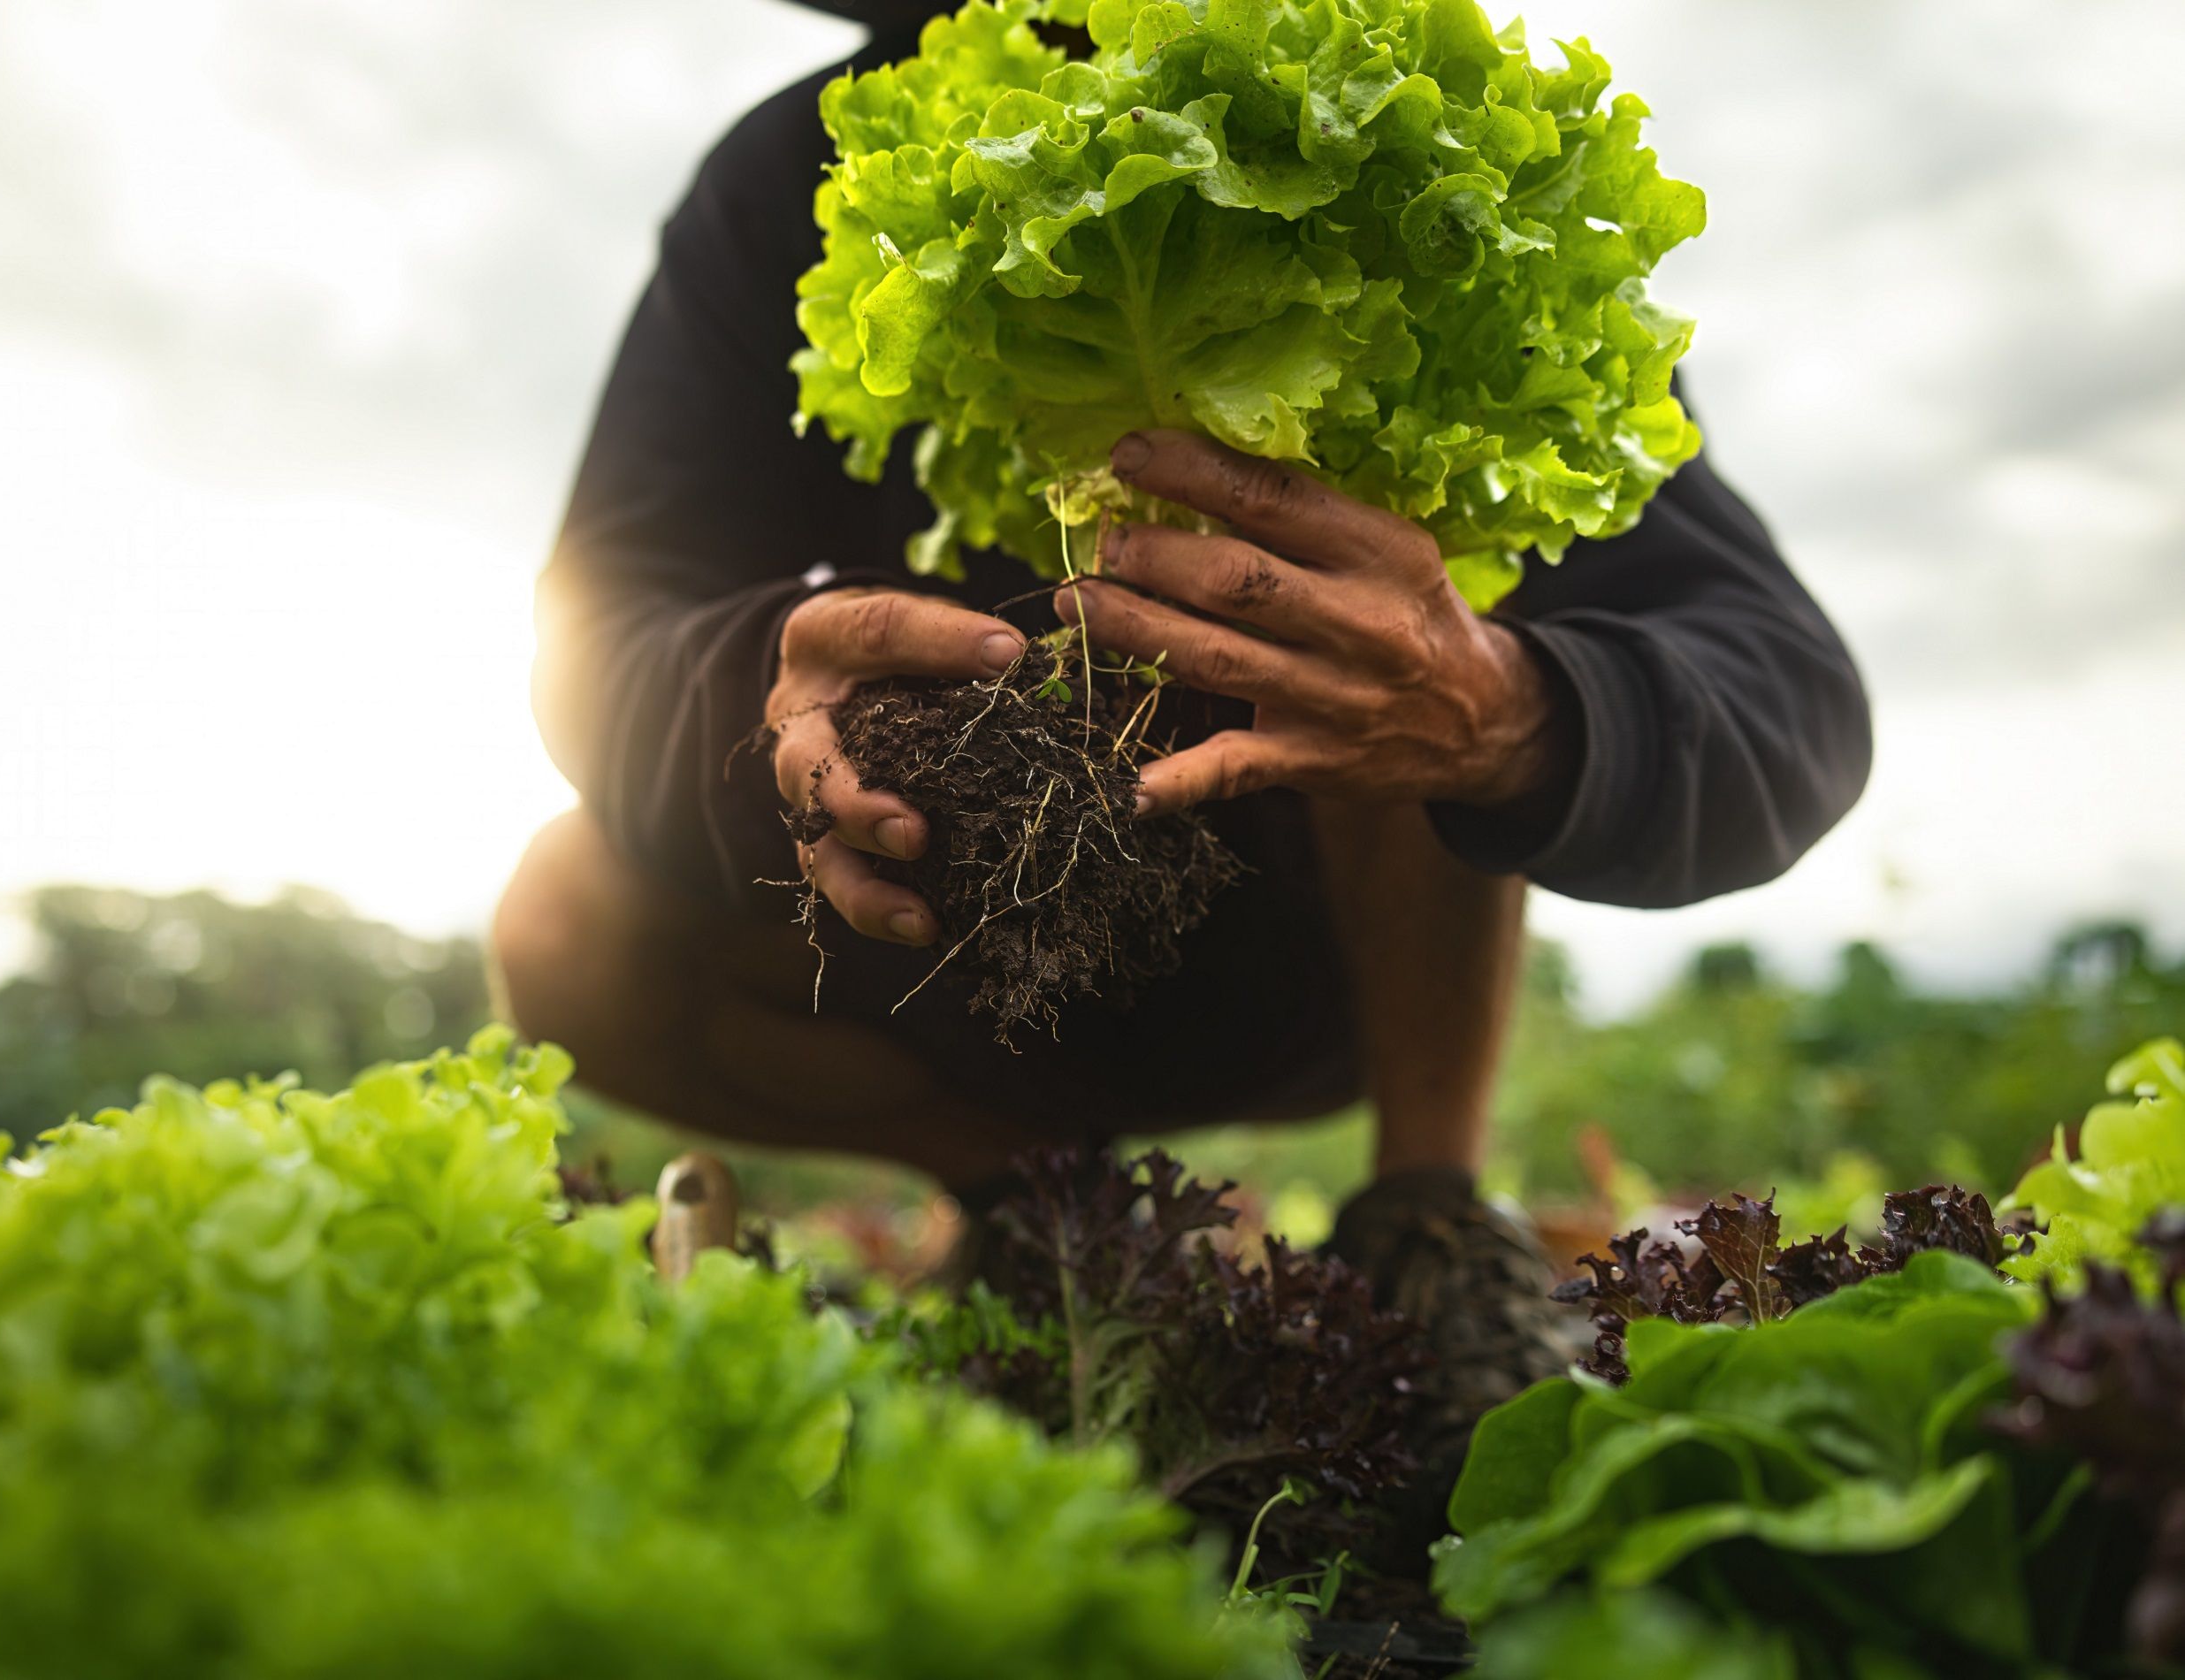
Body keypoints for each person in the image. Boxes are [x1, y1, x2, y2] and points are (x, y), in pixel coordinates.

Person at [493, 0, 1871, 1467]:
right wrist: (754, 695)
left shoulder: (1391, 121)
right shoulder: (793, 183)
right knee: (559, 926)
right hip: (953, 956)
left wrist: (1504, 708)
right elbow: (601, 630)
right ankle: (1044, 1212)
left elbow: (1783, 690)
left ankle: (1429, 1218)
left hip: (1330, 958)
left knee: (1397, 616)